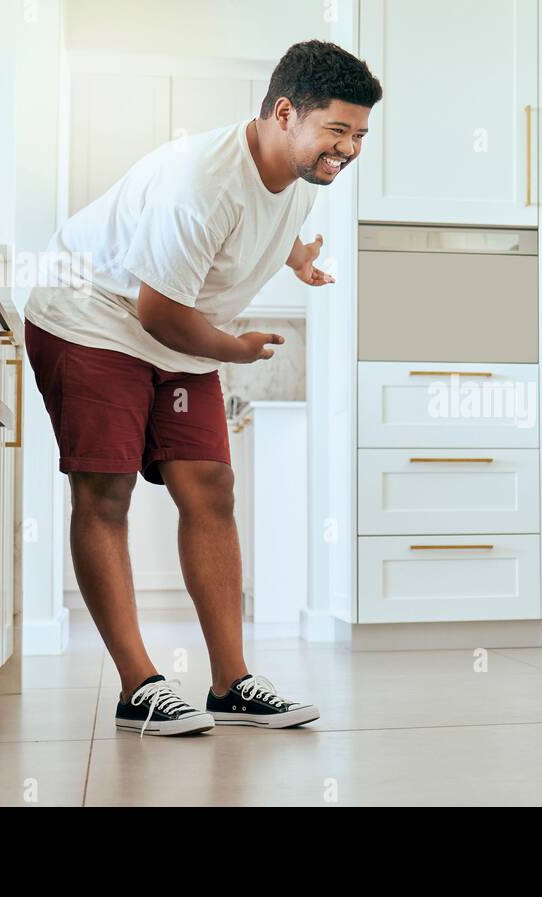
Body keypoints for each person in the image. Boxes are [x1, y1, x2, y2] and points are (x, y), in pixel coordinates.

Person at [23, 41, 382, 735]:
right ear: (285, 113)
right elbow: (159, 310)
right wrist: (236, 349)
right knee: (106, 489)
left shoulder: (299, 172)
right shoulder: (201, 180)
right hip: (92, 315)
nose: (349, 148)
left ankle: (232, 682)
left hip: (173, 327)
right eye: (337, 130)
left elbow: (257, 225)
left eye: (359, 134)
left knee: (210, 485)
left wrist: (296, 256)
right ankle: (139, 686)